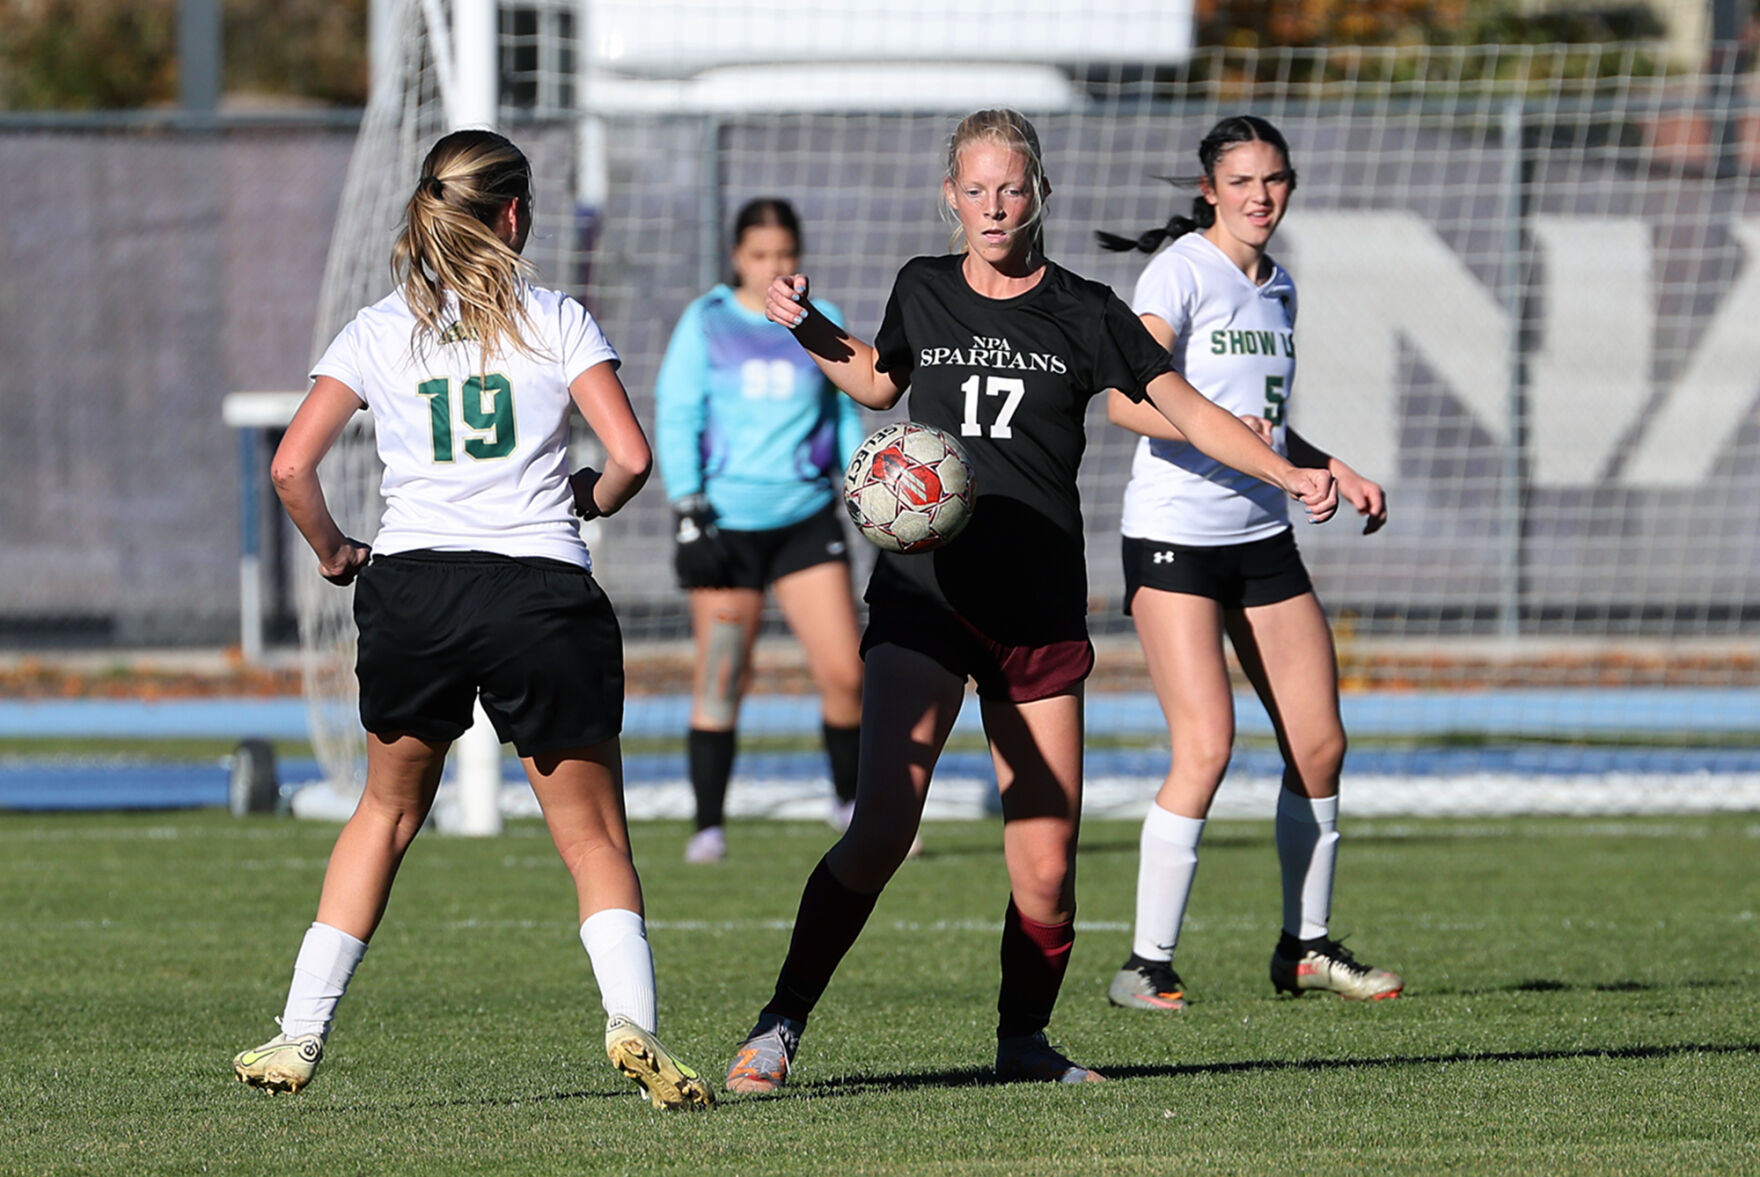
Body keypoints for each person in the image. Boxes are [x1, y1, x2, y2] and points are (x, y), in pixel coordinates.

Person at [722, 108, 1338, 1094]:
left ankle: (1022, 1041)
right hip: (926, 598)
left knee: (1046, 870)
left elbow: (1180, 408)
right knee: (883, 822)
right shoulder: (922, 287)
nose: (994, 206)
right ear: (950, 198)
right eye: (976, 190)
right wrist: (806, 328)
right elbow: (878, 383)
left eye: (1010, 188)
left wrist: (1284, 467)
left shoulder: (1083, 311)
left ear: (1037, 192)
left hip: (1037, 610)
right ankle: (777, 1025)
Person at [231, 129, 713, 1111]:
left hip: (414, 591)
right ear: (514, 215)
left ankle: (298, 1034)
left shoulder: (379, 327)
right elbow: (628, 455)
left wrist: (332, 552)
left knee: (386, 811)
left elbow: (290, 466)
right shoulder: (556, 318)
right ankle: (633, 1024)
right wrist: (591, 495)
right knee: (590, 840)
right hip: (537, 590)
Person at [1094, 115, 1401, 1012]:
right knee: (1207, 744)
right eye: (1242, 182)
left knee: (1319, 742)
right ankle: (1145, 966)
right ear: (1209, 191)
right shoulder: (1181, 272)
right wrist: (1236, 446)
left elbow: (1260, 420)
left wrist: (1330, 465)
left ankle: (1305, 947)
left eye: (1274, 180)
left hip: (1262, 536)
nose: (1260, 196)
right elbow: (1124, 403)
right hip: (1174, 536)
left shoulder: (1280, 288)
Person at [653, 198, 867, 865]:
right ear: (738, 258)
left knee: (845, 672)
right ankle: (709, 826)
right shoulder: (708, 320)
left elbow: (846, 406)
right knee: (722, 675)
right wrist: (687, 507)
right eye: (760, 255)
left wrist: (863, 484)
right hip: (726, 528)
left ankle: (852, 806)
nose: (774, 266)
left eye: (784, 254)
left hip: (806, 519)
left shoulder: (823, 319)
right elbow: (678, 411)